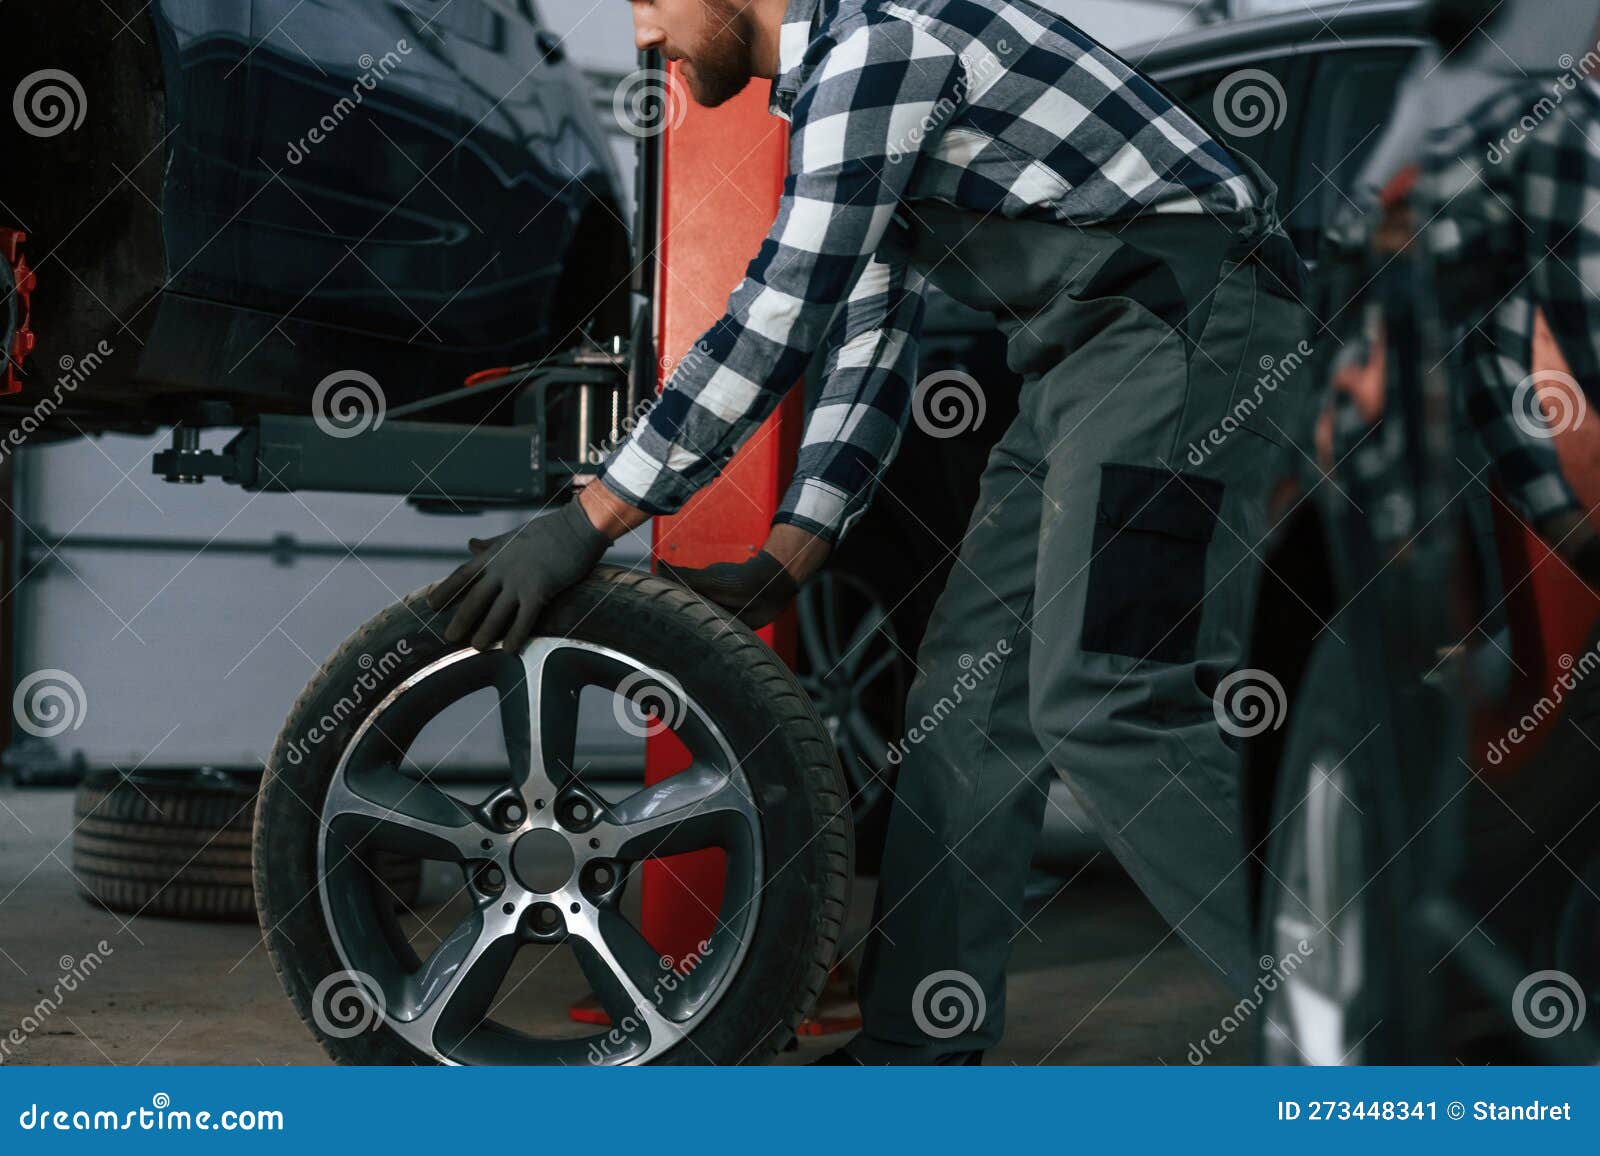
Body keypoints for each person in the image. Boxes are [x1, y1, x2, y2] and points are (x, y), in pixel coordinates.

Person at [429, 0, 1312, 1063]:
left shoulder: (882, 47)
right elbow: (866, 324)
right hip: (1081, 355)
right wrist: (795, 547)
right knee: (966, 699)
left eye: (649, 2)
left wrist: (590, 517)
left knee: (1107, 695)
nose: (646, 38)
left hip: (1185, 327)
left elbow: (781, 307)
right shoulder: (854, 80)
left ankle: (1378, 1014)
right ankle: (913, 1053)